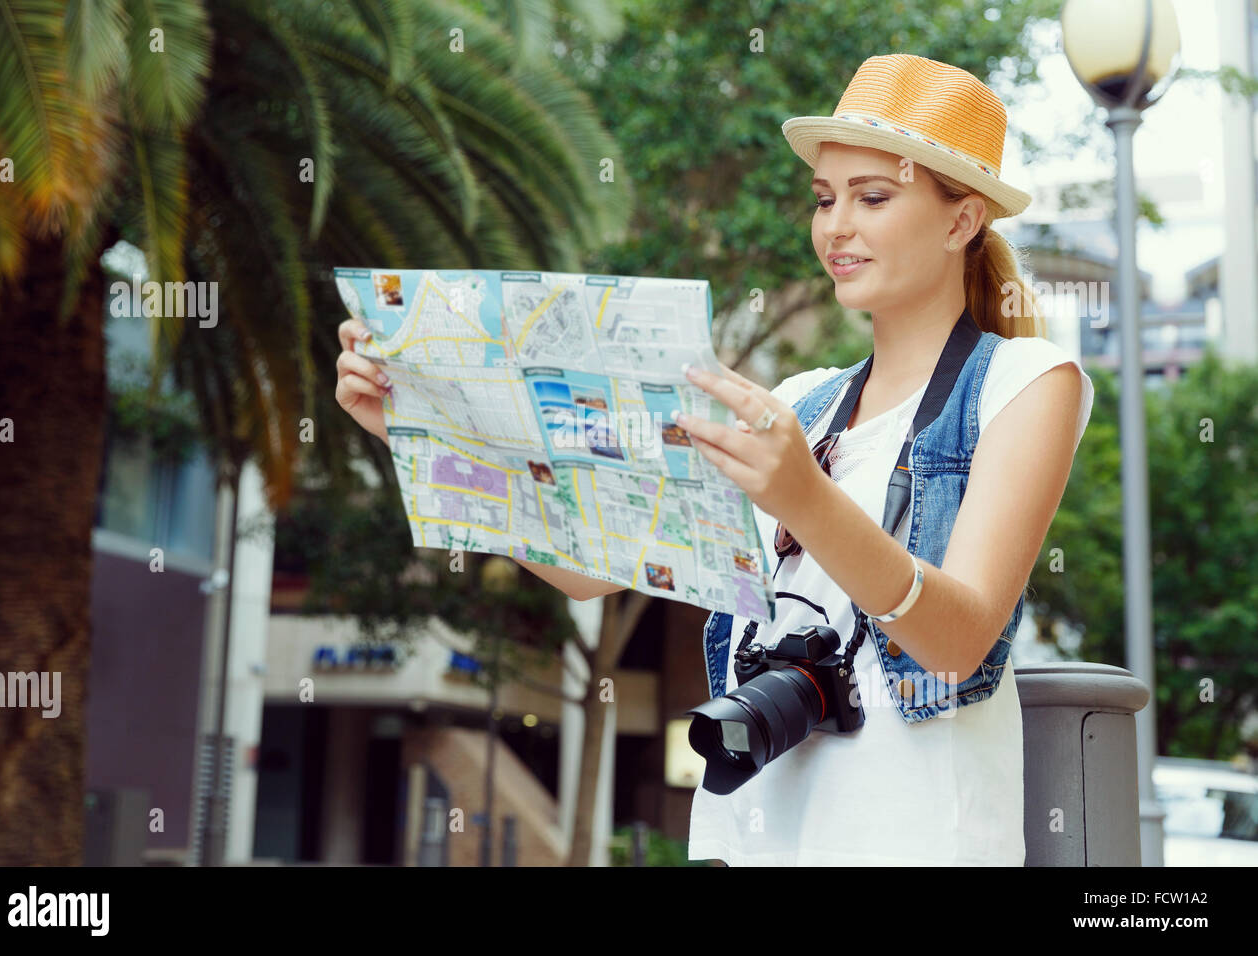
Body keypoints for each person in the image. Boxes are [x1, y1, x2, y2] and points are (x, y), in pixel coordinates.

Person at [335, 51, 1094, 866]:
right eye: (824, 199)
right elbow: (596, 568)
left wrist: (807, 499)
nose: (835, 226)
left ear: (960, 220)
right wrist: (429, 436)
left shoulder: (1026, 382)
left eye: (873, 197)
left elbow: (960, 639)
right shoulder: (801, 401)